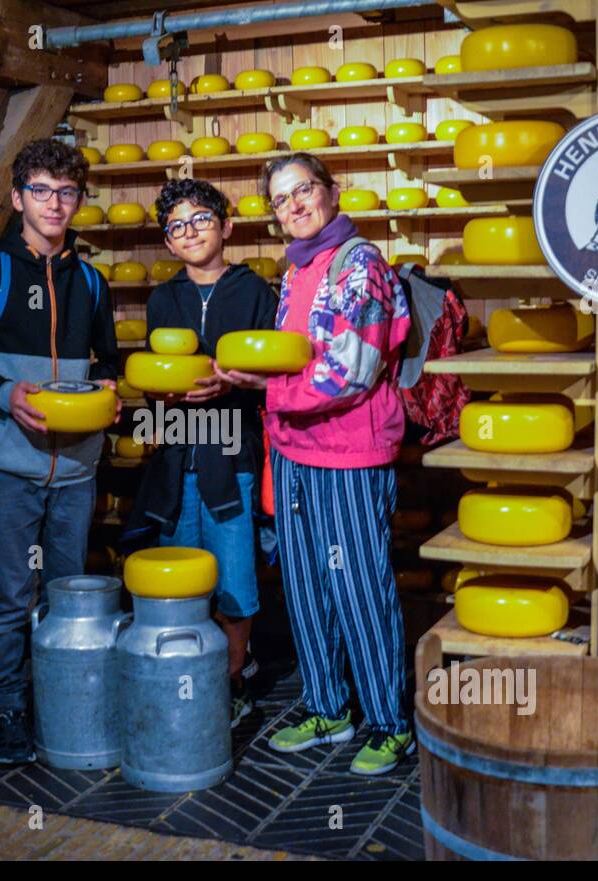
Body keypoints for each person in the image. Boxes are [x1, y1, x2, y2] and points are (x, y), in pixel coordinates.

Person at [215, 153, 414, 777]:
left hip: (351, 454)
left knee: (359, 586)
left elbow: (349, 372)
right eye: (281, 199)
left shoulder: (362, 266)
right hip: (296, 452)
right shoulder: (297, 270)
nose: (295, 205)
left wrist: (261, 391)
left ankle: (389, 722)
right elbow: (291, 358)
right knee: (305, 586)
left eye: (304, 190)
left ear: (330, 193)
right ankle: (328, 707)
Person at [0, 138, 119, 765]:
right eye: (41, 190)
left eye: (67, 192)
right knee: (11, 594)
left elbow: (109, 361)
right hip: (8, 470)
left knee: (68, 592)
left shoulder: (92, 283)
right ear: (18, 198)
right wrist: (2, 394)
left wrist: (112, 388)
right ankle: (11, 710)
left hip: (74, 470)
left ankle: (64, 702)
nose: (55, 203)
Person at [128, 178, 277, 728]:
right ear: (169, 242)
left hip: (230, 455)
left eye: (201, 220)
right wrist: (159, 392)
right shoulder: (163, 297)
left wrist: (230, 386)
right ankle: (186, 681)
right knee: (181, 577)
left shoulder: (256, 291)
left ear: (227, 227)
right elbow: (151, 372)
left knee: (234, 581)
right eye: (177, 226)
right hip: (174, 458)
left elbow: (272, 370)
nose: (189, 232)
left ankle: (232, 681)